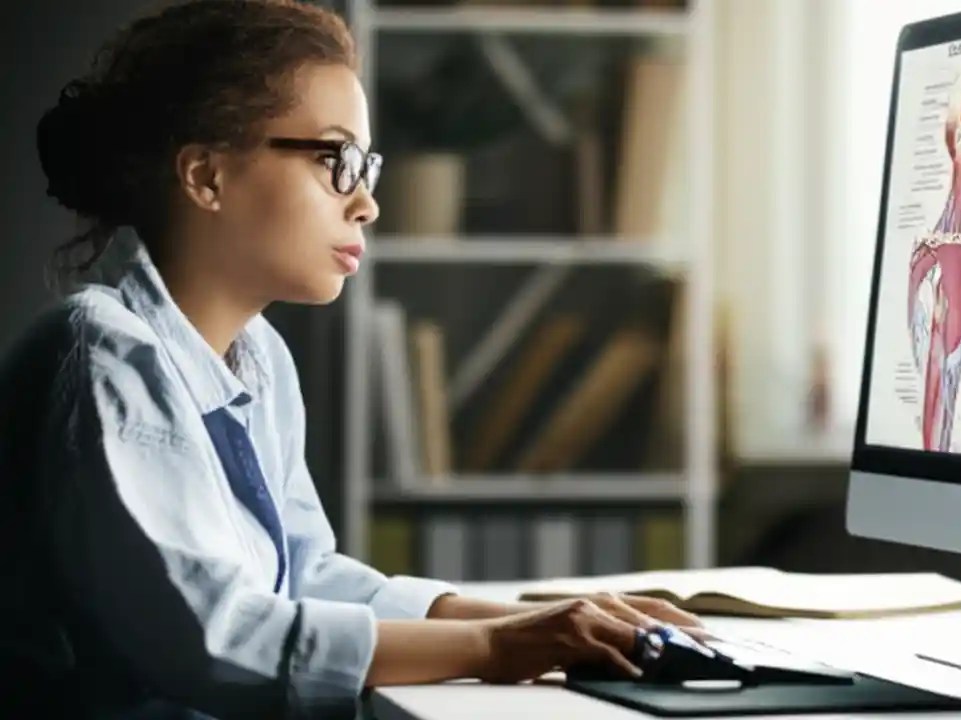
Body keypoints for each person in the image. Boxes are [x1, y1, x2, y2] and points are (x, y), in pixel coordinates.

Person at [3, 1, 704, 717]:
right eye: (336, 161)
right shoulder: (103, 358)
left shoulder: (257, 356)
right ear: (206, 176)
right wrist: (502, 645)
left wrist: (528, 619)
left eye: (366, 166)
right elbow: (214, 639)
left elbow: (302, 573)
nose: (366, 203)